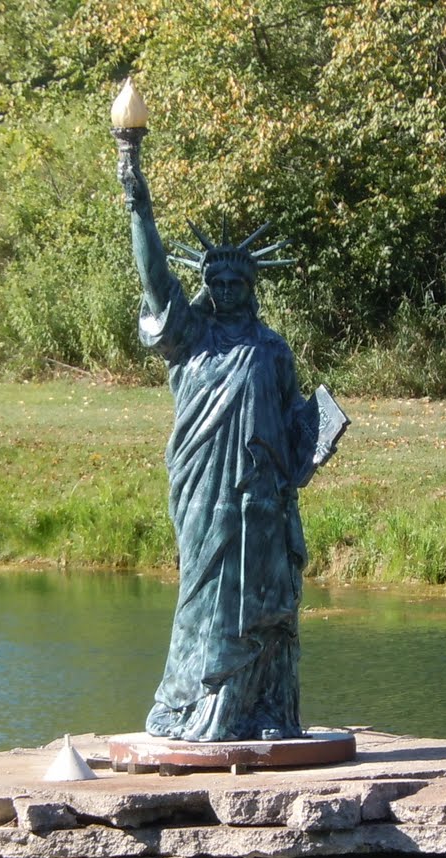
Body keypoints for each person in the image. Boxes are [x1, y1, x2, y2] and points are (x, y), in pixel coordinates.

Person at [118, 152, 326, 742]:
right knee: (203, 591)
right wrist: (140, 206)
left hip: (261, 498)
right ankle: (192, 705)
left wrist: (315, 438)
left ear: (252, 287)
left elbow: (291, 428)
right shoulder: (191, 336)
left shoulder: (272, 349)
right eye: (218, 281)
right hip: (204, 487)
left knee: (262, 603)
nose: (228, 290)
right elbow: (155, 279)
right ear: (207, 285)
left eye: (238, 282)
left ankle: (258, 711)